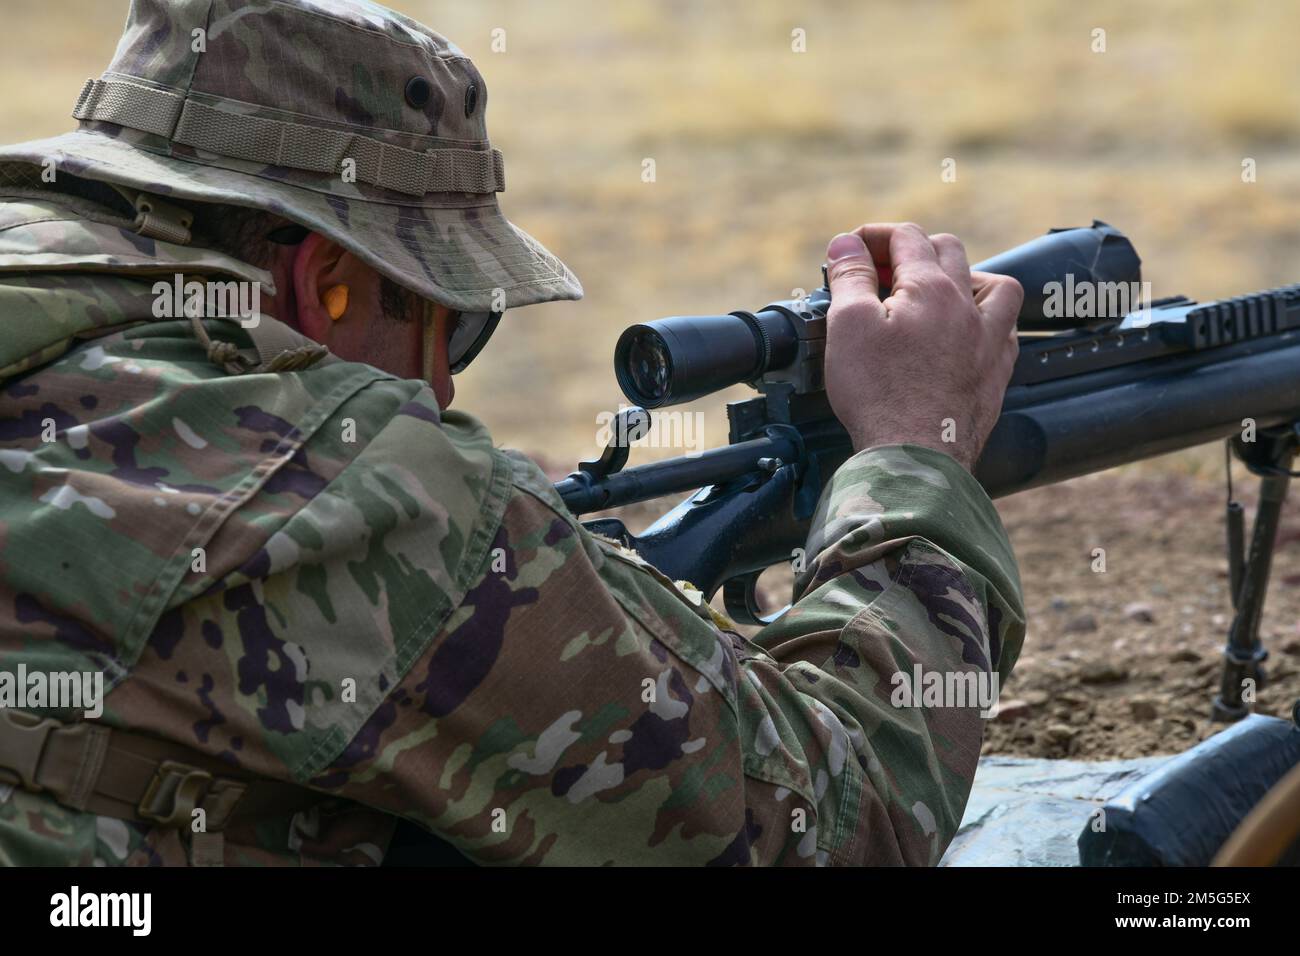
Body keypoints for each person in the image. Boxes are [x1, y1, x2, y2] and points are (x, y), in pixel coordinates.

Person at [0, 0, 1024, 866]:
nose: (443, 387)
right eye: (454, 321)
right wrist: (913, 454)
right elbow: (838, 818)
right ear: (327, 282)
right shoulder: (351, 480)